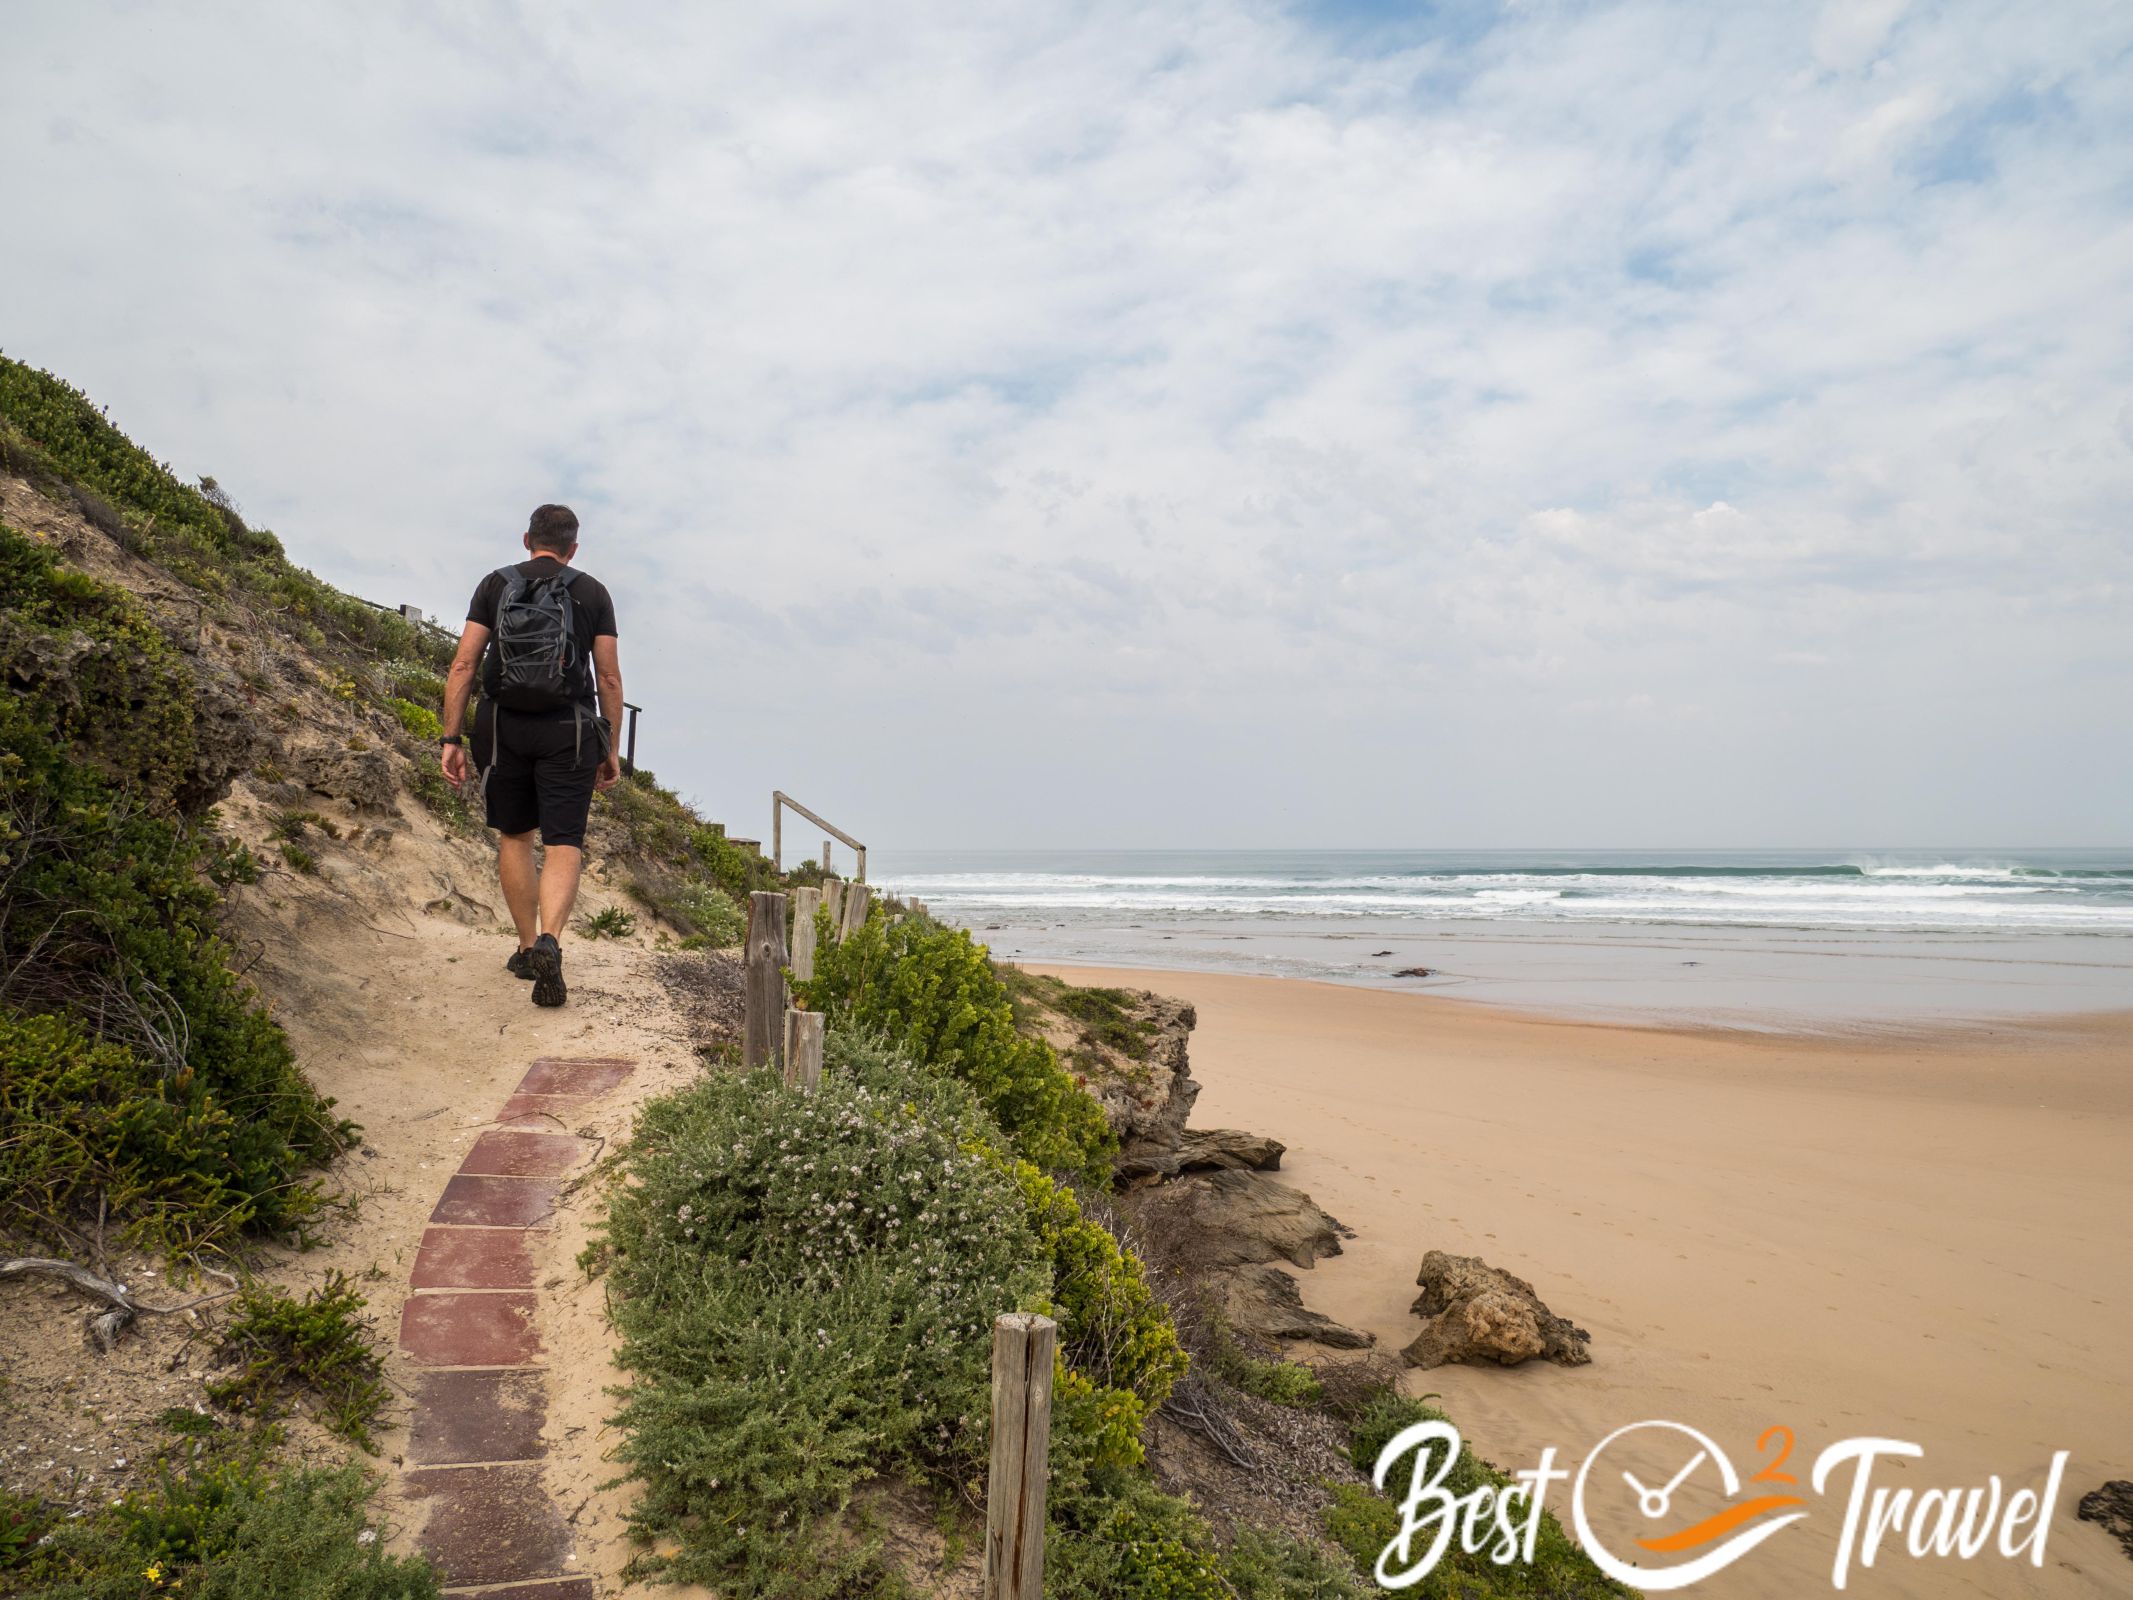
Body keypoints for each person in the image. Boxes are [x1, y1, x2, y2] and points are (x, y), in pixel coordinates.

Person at [439, 504, 623, 1007]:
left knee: (516, 837)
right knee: (564, 841)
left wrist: (450, 740)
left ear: (527, 540)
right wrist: (611, 748)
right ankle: (551, 942)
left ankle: (525, 948)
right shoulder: (592, 592)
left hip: (501, 728)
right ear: (573, 548)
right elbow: (607, 677)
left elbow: (463, 664)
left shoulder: (495, 585)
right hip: (569, 729)